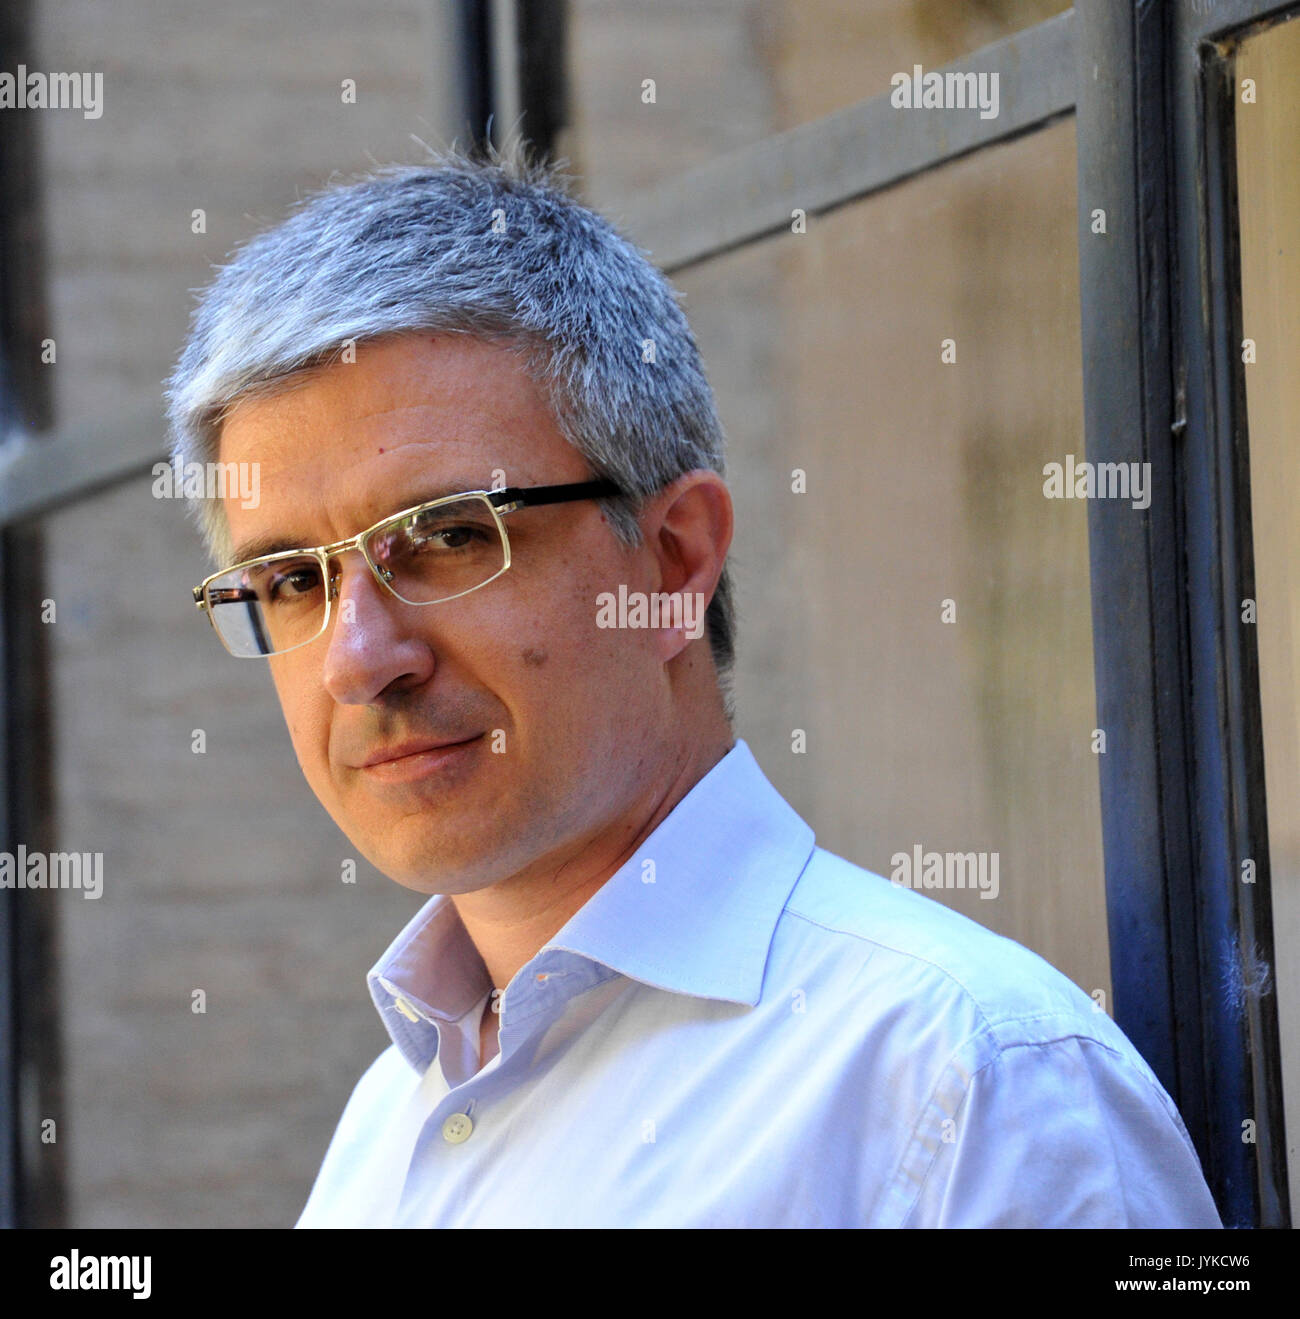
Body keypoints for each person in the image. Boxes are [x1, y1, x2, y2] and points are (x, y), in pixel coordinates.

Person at [166, 148, 1223, 1228]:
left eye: (444, 536)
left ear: (674, 560)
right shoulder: (382, 1125)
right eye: (292, 580)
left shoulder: (966, 1080)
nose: (357, 658)